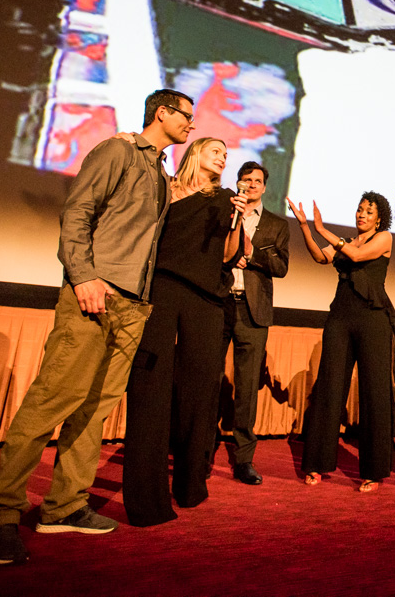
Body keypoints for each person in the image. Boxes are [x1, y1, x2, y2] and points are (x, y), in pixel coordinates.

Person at [0, 89, 192, 565]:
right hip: (96, 293)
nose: (191, 125)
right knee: (53, 399)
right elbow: (77, 212)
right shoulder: (118, 150)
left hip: (132, 305)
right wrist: (84, 275)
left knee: (94, 408)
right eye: (186, 116)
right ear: (162, 113)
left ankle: (65, 505)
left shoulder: (157, 168)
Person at [123, 137, 246, 526]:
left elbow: (228, 256)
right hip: (159, 290)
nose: (222, 158)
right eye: (215, 151)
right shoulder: (163, 187)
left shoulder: (226, 199)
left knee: (198, 390)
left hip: (207, 301)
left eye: (226, 155)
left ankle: (191, 484)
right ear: (195, 154)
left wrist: (238, 220)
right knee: (150, 389)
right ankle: (147, 499)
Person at [291, 192, 395, 493]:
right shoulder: (348, 240)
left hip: (373, 319)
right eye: (359, 209)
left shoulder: (385, 239)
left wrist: (323, 228)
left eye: (368, 211)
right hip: (340, 317)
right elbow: (320, 256)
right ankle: (316, 464)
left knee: (373, 392)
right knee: (329, 388)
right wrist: (305, 228)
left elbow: (359, 257)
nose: (361, 214)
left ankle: (373, 471)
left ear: (379, 218)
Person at [222, 161, 290, 486]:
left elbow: (281, 267)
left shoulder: (276, 225)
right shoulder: (224, 212)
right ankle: (199, 449)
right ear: (237, 184)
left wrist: (251, 255)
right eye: (245, 179)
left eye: (257, 180)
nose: (250, 184)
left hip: (254, 311)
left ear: (264, 188)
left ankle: (244, 458)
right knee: (206, 378)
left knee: (247, 388)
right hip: (217, 303)